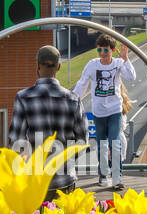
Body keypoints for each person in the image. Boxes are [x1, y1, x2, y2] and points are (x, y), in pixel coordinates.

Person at [9, 44, 89, 197]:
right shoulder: (73, 99)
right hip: (65, 179)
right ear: (58, 67)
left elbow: (15, 141)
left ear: (38, 65)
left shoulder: (23, 97)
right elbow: (83, 141)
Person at [72, 34, 136, 190]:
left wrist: (126, 58)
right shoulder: (92, 65)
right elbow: (82, 84)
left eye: (105, 50)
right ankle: (102, 174)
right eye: (99, 50)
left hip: (114, 109)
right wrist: (73, 99)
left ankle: (117, 178)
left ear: (113, 50)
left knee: (115, 142)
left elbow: (131, 76)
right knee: (101, 144)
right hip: (99, 112)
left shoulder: (119, 63)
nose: (102, 53)